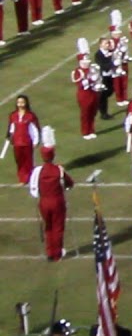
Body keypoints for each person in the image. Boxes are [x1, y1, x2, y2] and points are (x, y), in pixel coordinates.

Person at [29, 126, 73, 261]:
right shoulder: (59, 169)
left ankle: (50, 252)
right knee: (58, 227)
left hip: (43, 202)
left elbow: (33, 187)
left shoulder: (38, 171)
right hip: (57, 201)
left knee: (48, 227)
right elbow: (70, 183)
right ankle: (57, 253)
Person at [7, 94, 42, 184]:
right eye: (18, 102)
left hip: (27, 142)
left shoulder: (30, 116)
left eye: (22, 102)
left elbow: (35, 129)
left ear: (26, 103)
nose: (20, 104)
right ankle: (22, 178)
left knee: (28, 161)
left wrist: (36, 141)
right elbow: (11, 128)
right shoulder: (13, 115)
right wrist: (10, 137)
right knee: (19, 161)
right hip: (17, 143)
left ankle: (28, 178)